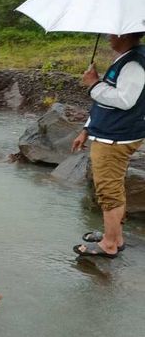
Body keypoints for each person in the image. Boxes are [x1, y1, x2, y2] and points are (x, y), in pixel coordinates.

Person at [71, 32, 145, 258]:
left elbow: (124, 100)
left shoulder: (134, 64)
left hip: (116, 137)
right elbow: (104, 102)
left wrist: (93, 84)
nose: (108, 37)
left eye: (112, 34)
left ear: (125, 35)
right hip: (108, 132)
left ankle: (110, 244)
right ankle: (115, 236)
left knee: (108, 190)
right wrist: (86, 128)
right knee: (112, 187)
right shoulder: (124, 58)